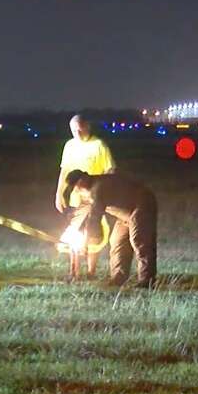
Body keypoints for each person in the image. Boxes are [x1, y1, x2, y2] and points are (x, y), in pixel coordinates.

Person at [63, 170, 157, 288]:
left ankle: (146, 281)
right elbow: (84, 210)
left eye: (77, 188)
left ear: (81, 182)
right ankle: (118, 279)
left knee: (140, 241)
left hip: (141, 205)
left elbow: (94, 218)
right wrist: (69, 232)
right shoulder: (90, 190)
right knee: (117, 241)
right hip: (125, 213)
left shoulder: (98, 188)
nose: (78, 192)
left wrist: (85, 243)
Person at [55, 114, 116, 278]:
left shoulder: (99, 145)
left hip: (95, 199)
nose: (78, 133)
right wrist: (59, 194)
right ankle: (73, 271)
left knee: (94, 235)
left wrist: (103, 192)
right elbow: (64, 171)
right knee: (75, 233)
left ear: (87, 127)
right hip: (75, 200)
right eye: (74, 131)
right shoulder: (69, 146)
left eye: (80, 129)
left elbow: (110, 170)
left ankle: (90, 271)